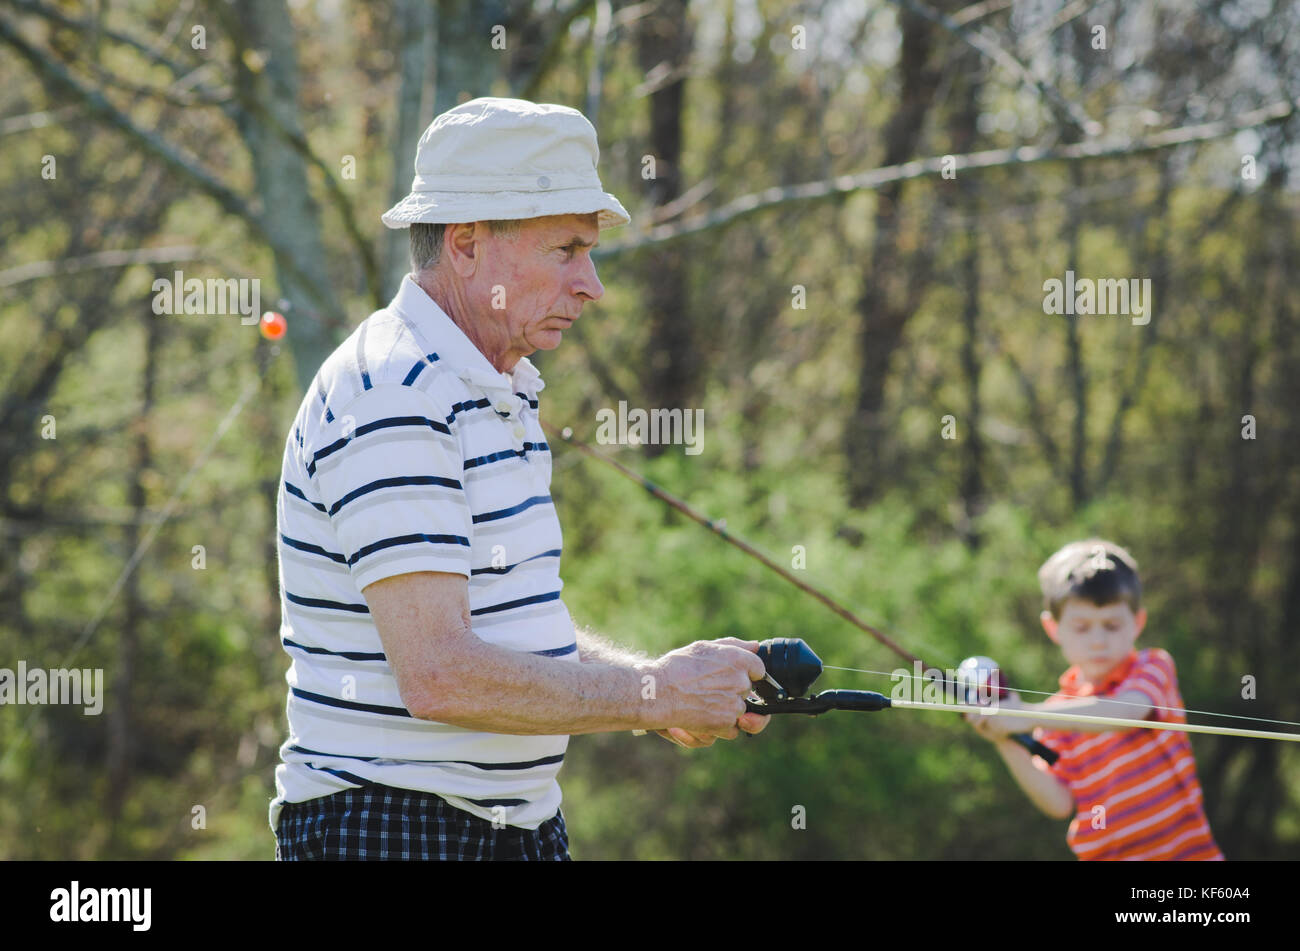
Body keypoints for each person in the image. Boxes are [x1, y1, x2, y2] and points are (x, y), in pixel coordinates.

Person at [270, 97, 769, 861]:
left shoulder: (491, 384)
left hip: (511, 828)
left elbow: (510, 633)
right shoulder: (397, 389)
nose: (591, 284)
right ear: (467, 243)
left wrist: (656, 685)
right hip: (392, 833)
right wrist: (653, 695)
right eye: (565, 249)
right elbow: (441, 674)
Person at [967, 538, 1223, 860]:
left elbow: (1125, 711)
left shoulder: (1153, 666)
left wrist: (1025, 714)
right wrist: (1004, 737)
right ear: (1053, 628)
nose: (1098, 641)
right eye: (1082, 627)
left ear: (1138, 622)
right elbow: (1059, 803)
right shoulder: (1055, 712)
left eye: (1112, 625)